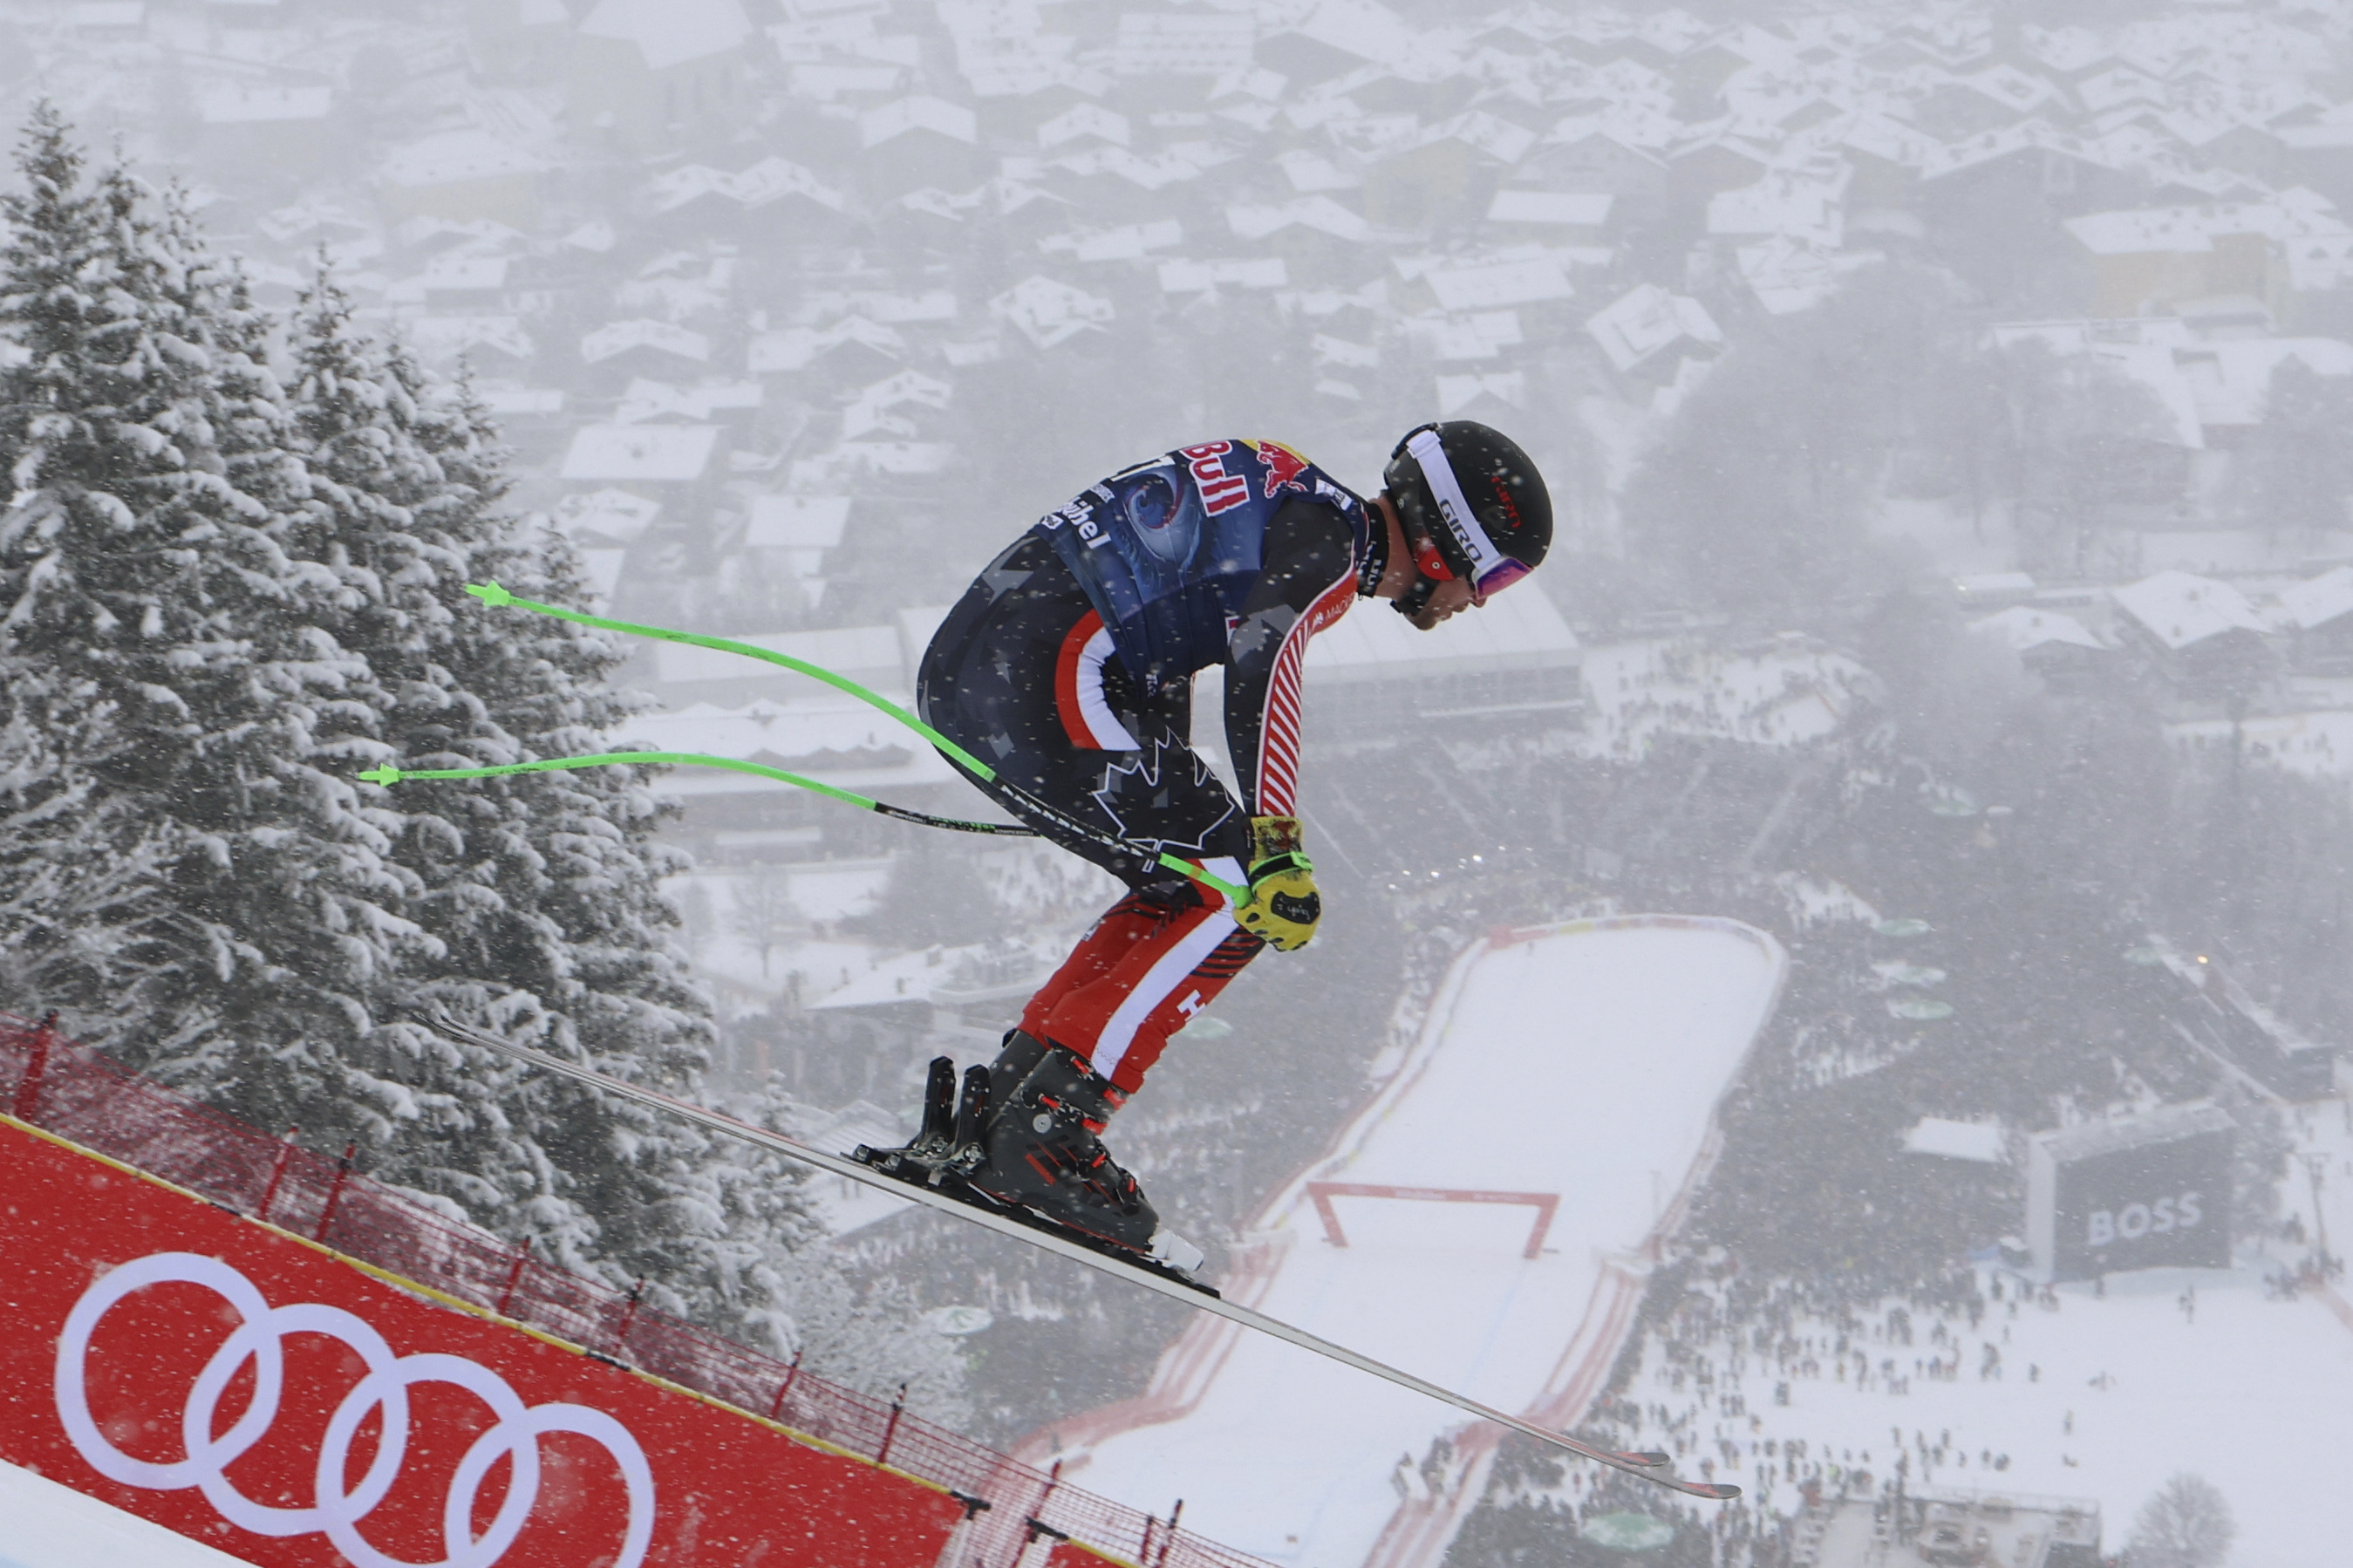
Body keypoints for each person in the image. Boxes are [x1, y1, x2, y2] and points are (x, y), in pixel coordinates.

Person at [883, 422, 1551, 1267]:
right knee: (1238, 892)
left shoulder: (1302, 503)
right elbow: (1261, 660)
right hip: (1037, 671)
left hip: (1003, 664)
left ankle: (1011, 1109)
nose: (1482, 600)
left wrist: (1141, 796)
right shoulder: (1329, 550)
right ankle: (1042, 1132)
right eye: (1491, 574)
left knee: (1189, 879)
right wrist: (1275, 842)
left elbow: (1165, 640)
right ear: (1442, 541)